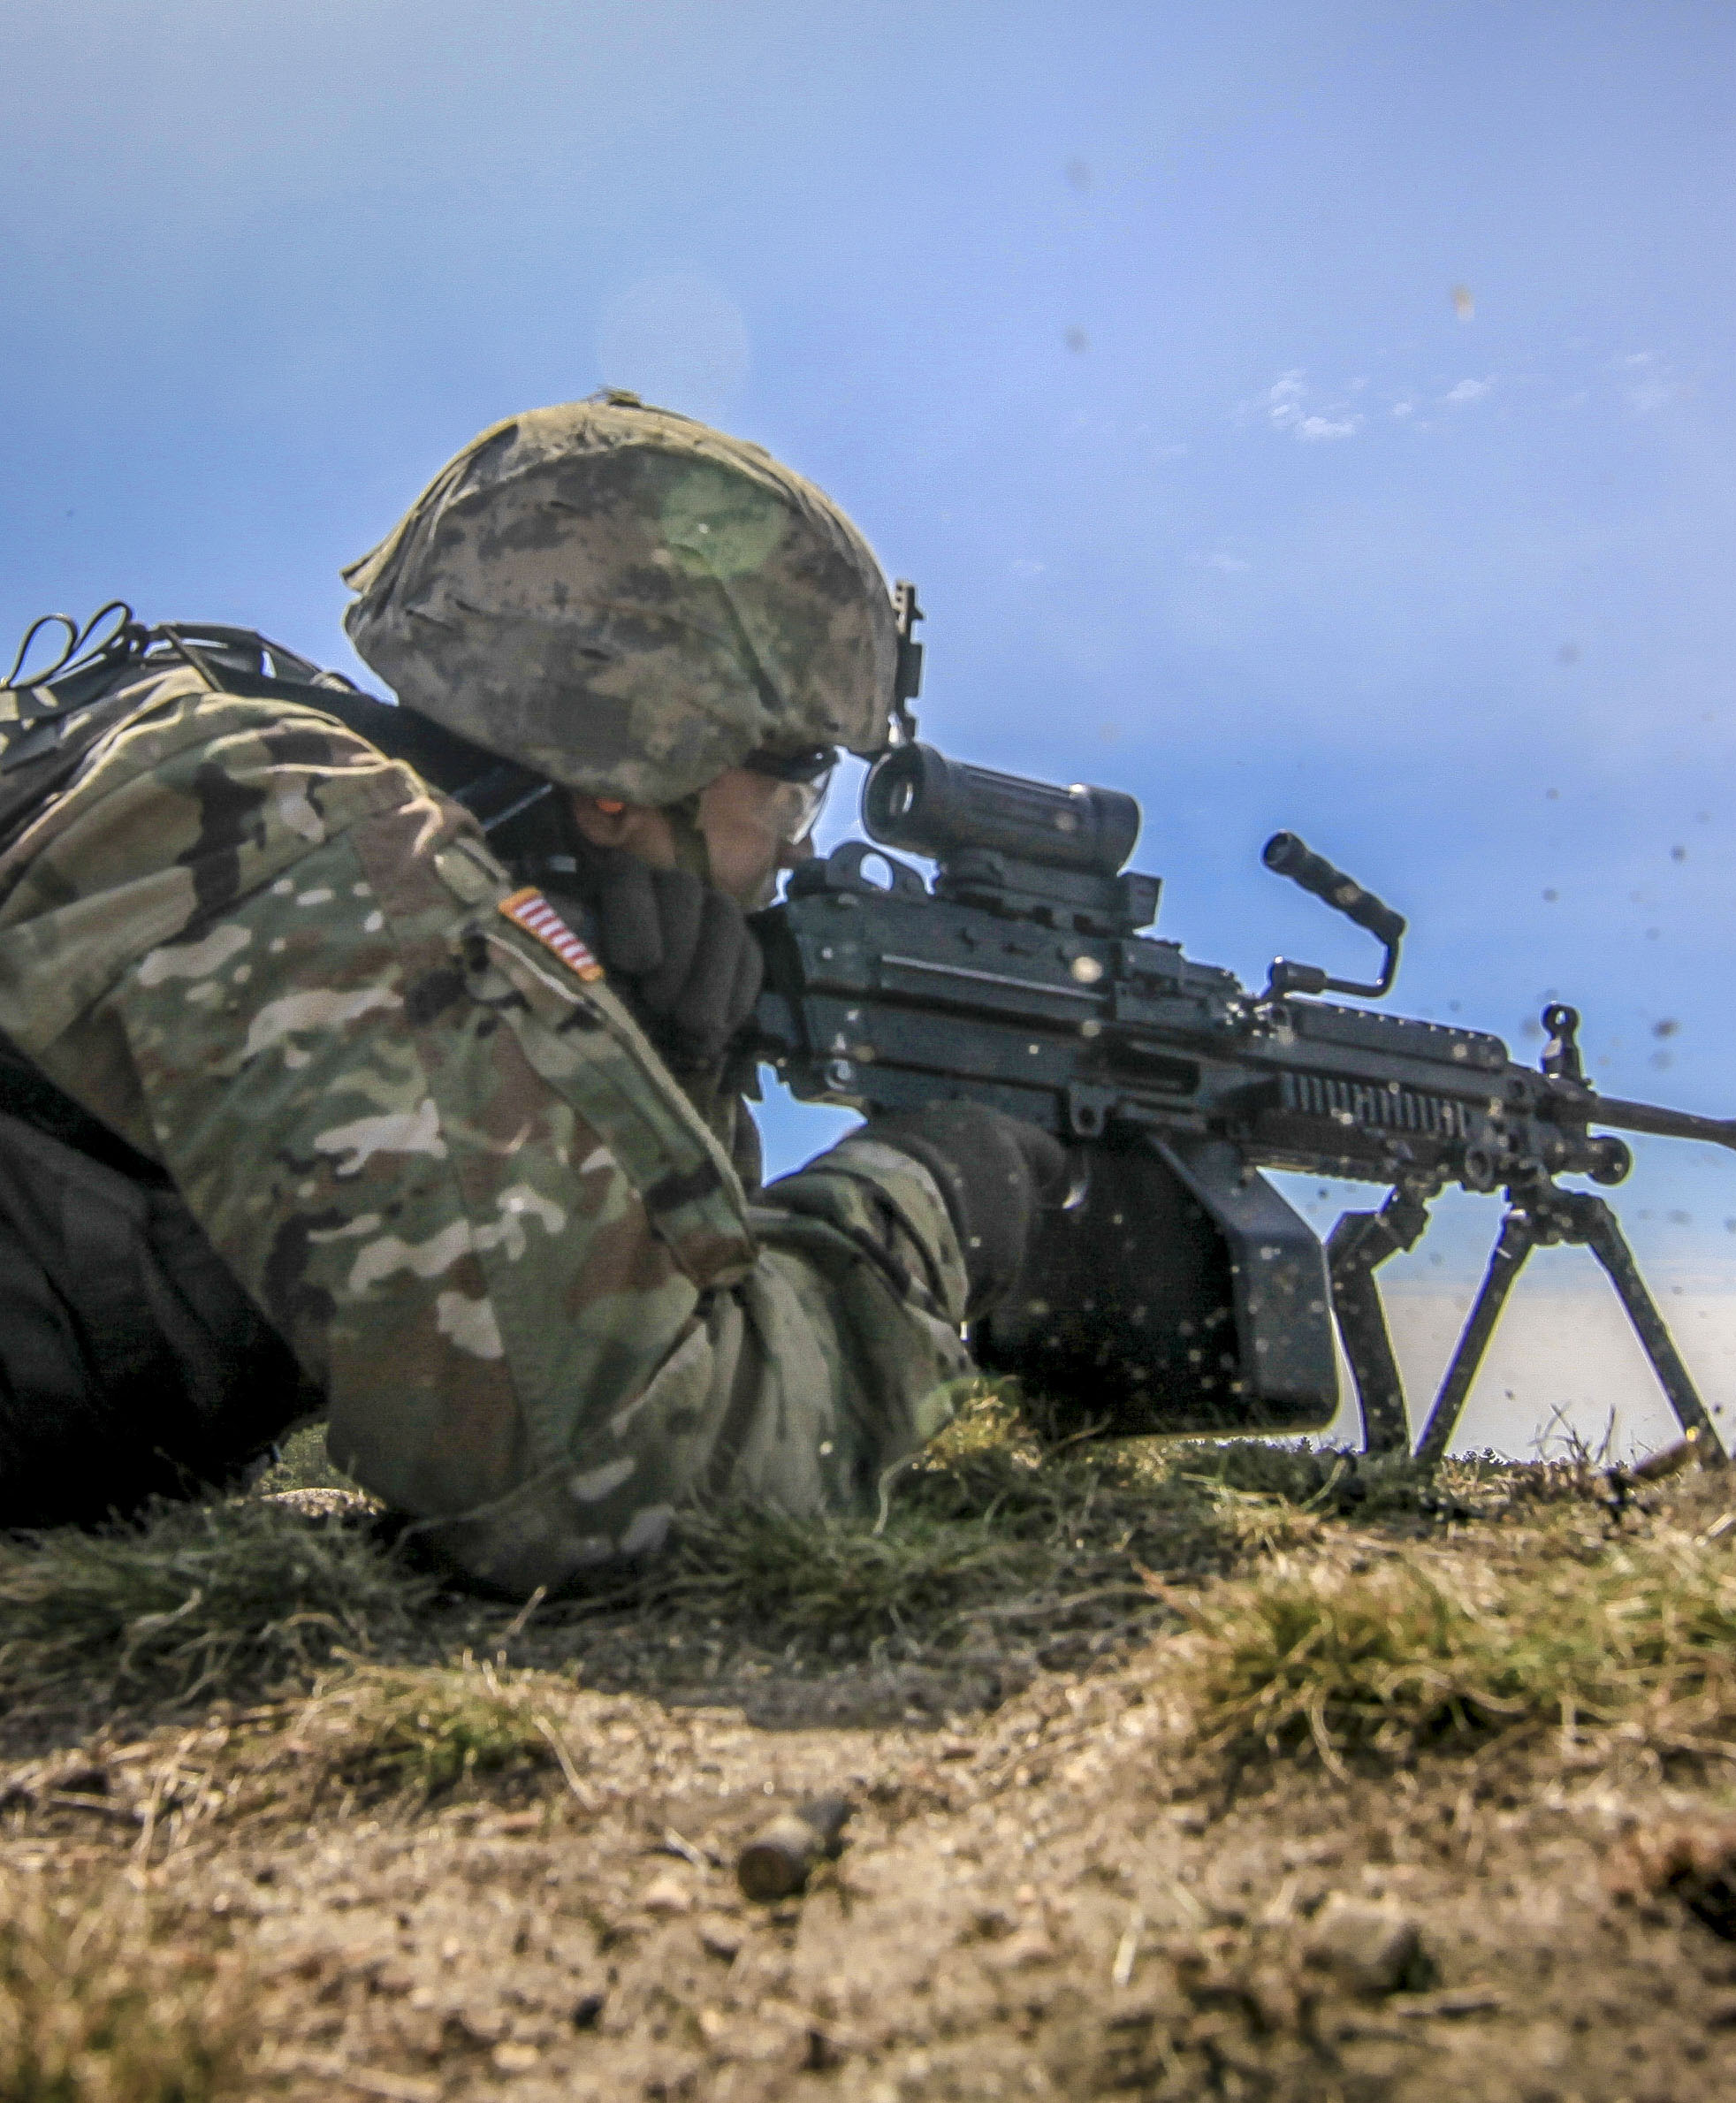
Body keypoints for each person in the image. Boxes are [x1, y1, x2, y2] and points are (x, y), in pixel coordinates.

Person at [0, 393, 1062, 1589]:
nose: (802, 850)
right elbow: (629, 1488)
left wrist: (652, 1073)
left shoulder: (253, 784)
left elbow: (570, 1324)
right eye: (800, 774)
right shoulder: (312, 852)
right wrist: (941, 1193)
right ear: (635, 761)